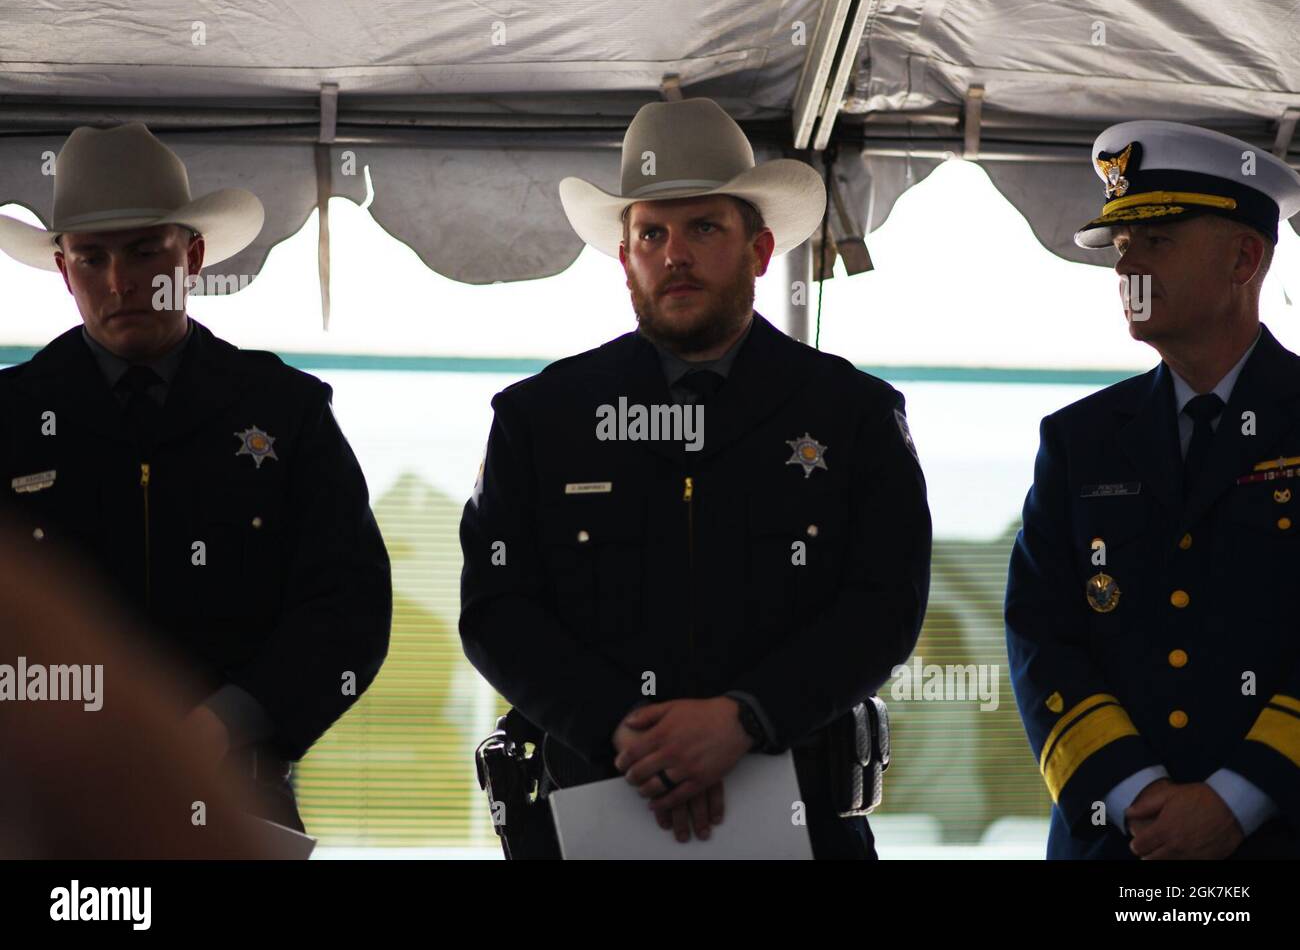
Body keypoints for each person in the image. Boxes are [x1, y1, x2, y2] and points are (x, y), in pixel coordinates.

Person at [460, 97, 931, 858]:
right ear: (625, 259)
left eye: (704, 227)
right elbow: (497, 611)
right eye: (652, 233)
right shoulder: (541, 419)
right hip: (595, 816)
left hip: (805, 823)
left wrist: (742, 720)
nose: (674, 254)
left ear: (760, 250)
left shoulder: (853, 416)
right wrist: (629, 734)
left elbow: (884, 608)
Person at [0, 122, 392, 833]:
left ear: (195, 254)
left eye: (146, 250)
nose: (119, 282)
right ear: (63, 269)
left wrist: (229, 722)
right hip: (47, 805)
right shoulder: (9, 418)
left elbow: (349, 608)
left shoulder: (286, 411)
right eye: (92, 257)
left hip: (240, 794)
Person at [1006, 120, 1300, 858]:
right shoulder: (1078, 440)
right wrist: (1136, 793)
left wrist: (1238, 800)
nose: (1125, 266)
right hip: (1123, 839)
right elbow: (1042, 636)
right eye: (1122, 245)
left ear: (1245, 256)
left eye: (1156, 241)